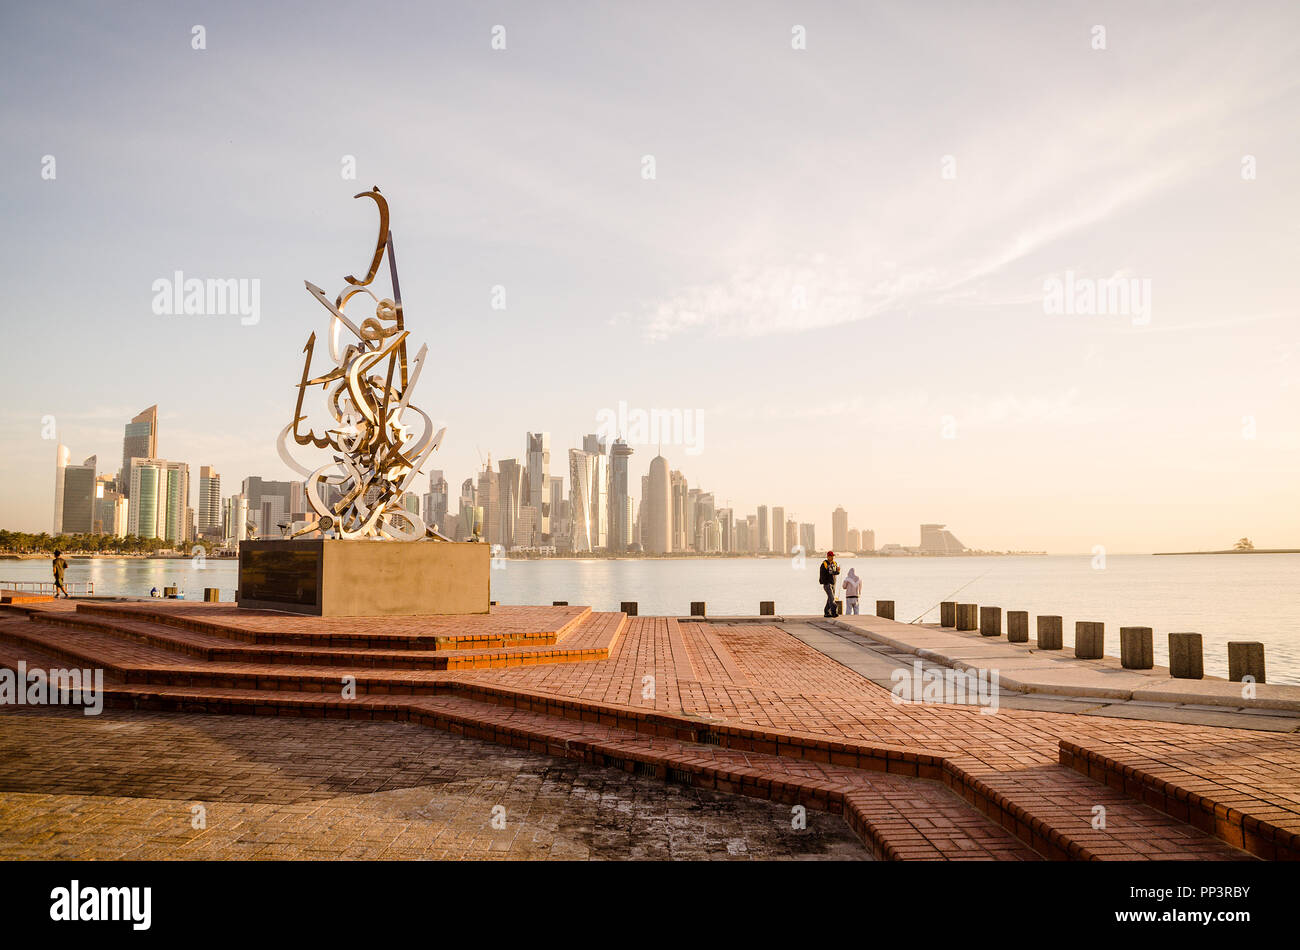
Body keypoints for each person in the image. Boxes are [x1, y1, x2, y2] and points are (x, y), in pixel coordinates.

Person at [819, 551, 840, 617]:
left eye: (833, 556)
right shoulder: (824, 564)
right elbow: (826, 573)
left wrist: (838, 571)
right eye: (831, 556)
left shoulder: (835, 563)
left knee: (830, 598)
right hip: (827, 584)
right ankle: (834, 612)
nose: (832, 557)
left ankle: (826, 612)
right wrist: (824, 582)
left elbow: (835, 572)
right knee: (832, 598)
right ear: (828, 557)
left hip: (833, 583)